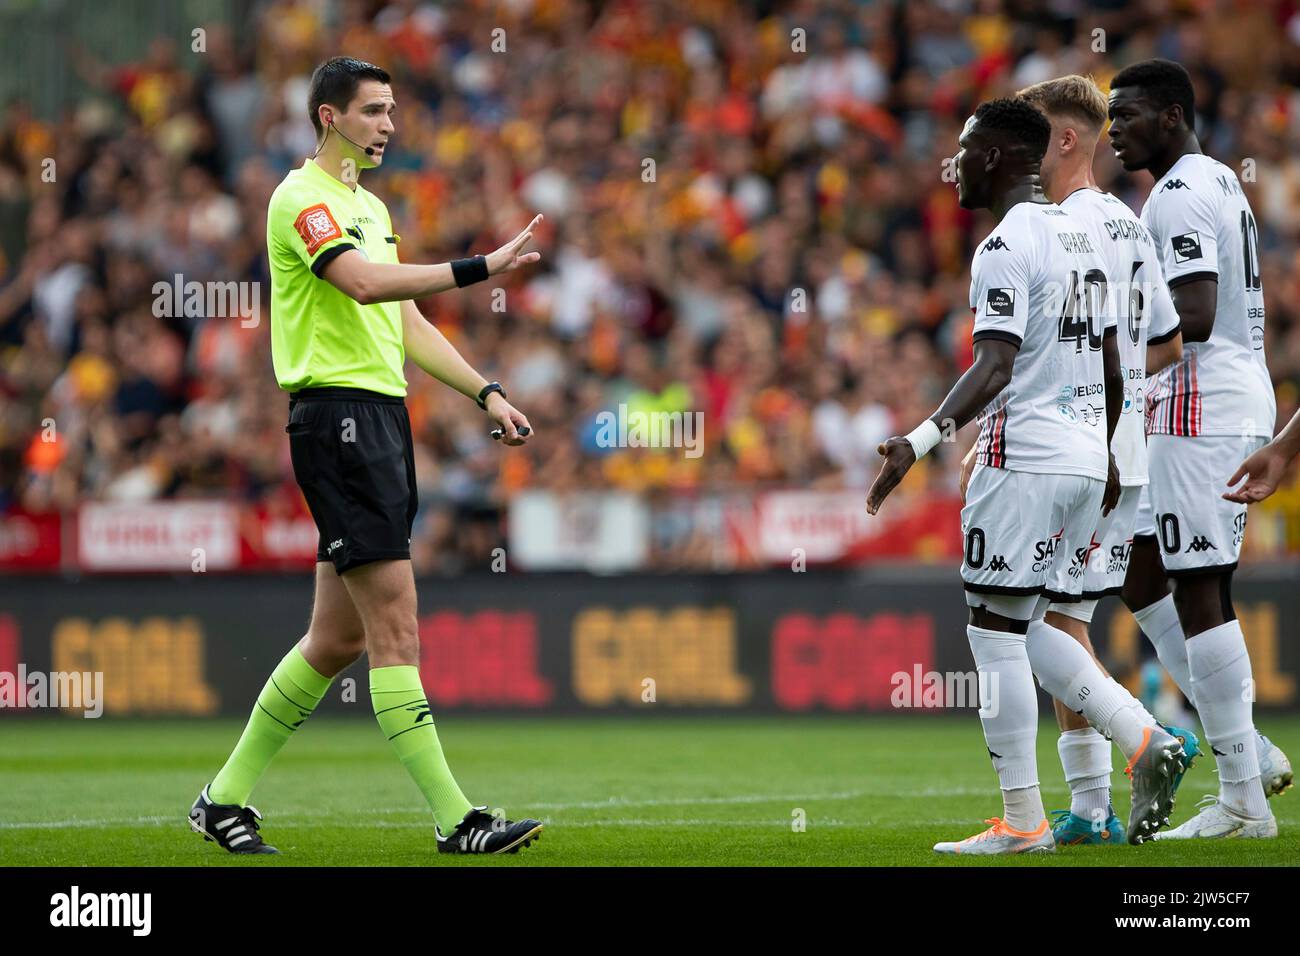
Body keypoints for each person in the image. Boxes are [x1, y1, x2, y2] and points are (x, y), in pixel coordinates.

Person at [188, 56, 545, 856]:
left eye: (391, 110)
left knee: (336, 641)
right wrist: (481, 267)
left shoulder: (368, 206)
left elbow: (404, 320)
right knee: (397, 629)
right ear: (328, 116)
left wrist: (487, 391)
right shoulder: (299, 199)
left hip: (380, 420)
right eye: (374, 111)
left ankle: (223, 800)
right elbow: (357, 284)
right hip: (339, 423)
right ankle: (457, 821)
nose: (389, 124)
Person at [867, 98, 1184, 855]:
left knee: (994, 634)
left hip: (1026, 456)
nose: (955, 165)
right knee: (1039, 623)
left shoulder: (1005, 245)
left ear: (1001, 158)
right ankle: (1142, 736)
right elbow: (1113, 352)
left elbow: (996, 363)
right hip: (1085, 460)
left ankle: (1022, 820)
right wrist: (1105, 450)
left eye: (967, 150)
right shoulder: (1082, 232)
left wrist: (919, 440)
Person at [952, 74, 1193, 847]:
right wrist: (1105, 430)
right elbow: (1161, 341)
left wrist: (1007, 431)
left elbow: (1022, 356)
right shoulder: (1122, 222)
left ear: (1059, 139)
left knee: (1029, 620)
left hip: (1057, 450)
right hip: (1111, 450)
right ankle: (1098, 800)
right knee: (1050, 615)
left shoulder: (1056, 226)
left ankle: (1108, 779)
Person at [1109, 58, 1290, 839]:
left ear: (1173, 116)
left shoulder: (1179, 193)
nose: (1116, 129)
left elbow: (1195, 314)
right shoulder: (1211, 181)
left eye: (1130, 115)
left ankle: (1243, 798)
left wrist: (1110, 324)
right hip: (1210, 400)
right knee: (1141, 571)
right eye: (1110, 116)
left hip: (1200, 403)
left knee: (1199, 586)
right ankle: (1247, 749)